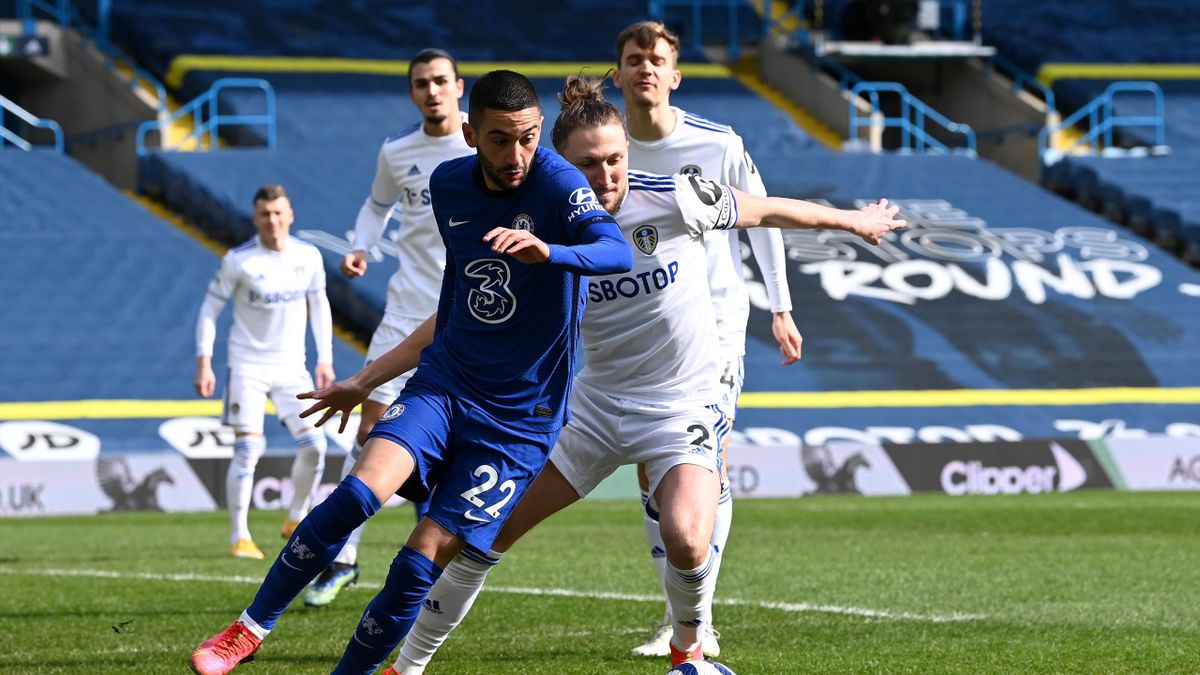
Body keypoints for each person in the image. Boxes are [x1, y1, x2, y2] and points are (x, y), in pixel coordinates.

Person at [381, 74, 903, 673]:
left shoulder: (677, 197)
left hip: (681, 404)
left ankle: (688, 649)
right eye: (588, 165)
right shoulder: (539, 222)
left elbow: (768, 210)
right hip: (589, 407)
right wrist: (370, 378)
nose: (605, 177)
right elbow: (458, 312)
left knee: (684, 537)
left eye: (614, 159)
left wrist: (852, 221)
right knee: (481, 534)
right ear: (561, 166)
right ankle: (407, 666)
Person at [188, 69, 633, 675]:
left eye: (528, 138)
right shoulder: (450, 186)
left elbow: (616, 251)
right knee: (358, 491)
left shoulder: (556, 184)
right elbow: (452, 302)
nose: (517, 155)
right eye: (501, 139)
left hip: (519, 422)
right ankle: (247, 629)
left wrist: (548, 251)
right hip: (447, 385)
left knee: (421, 557)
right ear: (472, 135)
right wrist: (366, 379)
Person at [612, 19, 803, 657]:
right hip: (643, 326)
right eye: (634, 59)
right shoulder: (607, 149)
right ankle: (677, 614)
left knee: (704, 464)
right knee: (650, 475)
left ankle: (699, 618)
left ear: (674, 74)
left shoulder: (717, 143)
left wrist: (780, 305)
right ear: (618, 74)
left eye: (657, 59)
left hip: (716, 327)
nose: (645, 68)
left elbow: (764, 216)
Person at [305, 48, 474, 609]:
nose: (432, 90)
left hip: (465, 314)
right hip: (405, 312)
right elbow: (377, 206)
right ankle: (346, 558)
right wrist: (359, 245)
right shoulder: (398, 151)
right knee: (370, 435)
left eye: (440, 81)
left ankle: (428, 556)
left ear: (459, 86)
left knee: (456, 445)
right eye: (422, 83)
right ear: (413, 92)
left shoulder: (484, 147)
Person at [193, 184, 336, 560]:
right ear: (256, 218)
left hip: (292, 366)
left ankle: (294, 518)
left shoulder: (308, 256)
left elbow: (319, 306)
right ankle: (240, 537)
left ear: (290, 215)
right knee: (248, 449)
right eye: (265, 214)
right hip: (248, 366)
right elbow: (209, 311)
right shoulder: (239, 260)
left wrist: (325, 358)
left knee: (316, 448)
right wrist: (204, 360)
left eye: (278, 213)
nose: (272, 221)